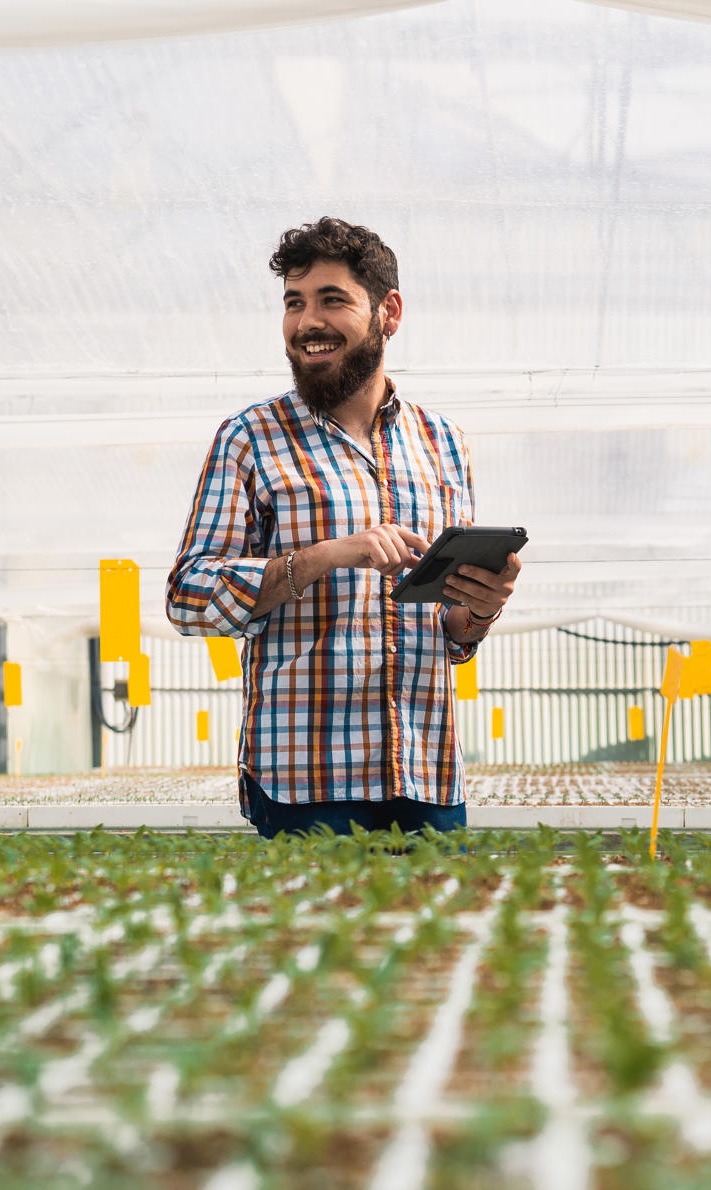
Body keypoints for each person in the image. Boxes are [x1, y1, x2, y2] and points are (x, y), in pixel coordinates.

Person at [166, 218, 518, 839]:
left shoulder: (442, 443)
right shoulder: (251, 439)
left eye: (332, 300)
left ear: (389, 312)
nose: (308, 322)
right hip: (305, 782)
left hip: (426, 773)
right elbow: (187, 597)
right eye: (294, 303)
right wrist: (323, 556)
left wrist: (480, 610)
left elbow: (450, 633)